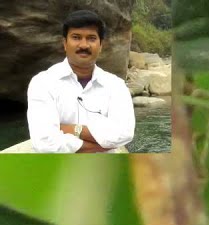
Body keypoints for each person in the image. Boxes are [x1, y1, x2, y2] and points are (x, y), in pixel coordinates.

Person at [26, 9, 134, 153]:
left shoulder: (115, 86)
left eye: (91, 38)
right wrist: (97, 145)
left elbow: (124, 133)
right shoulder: (43, 83)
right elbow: (44, 142)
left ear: (101, 45)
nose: (84, 45)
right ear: (64, 43)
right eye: (76, 37)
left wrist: (72, 129)